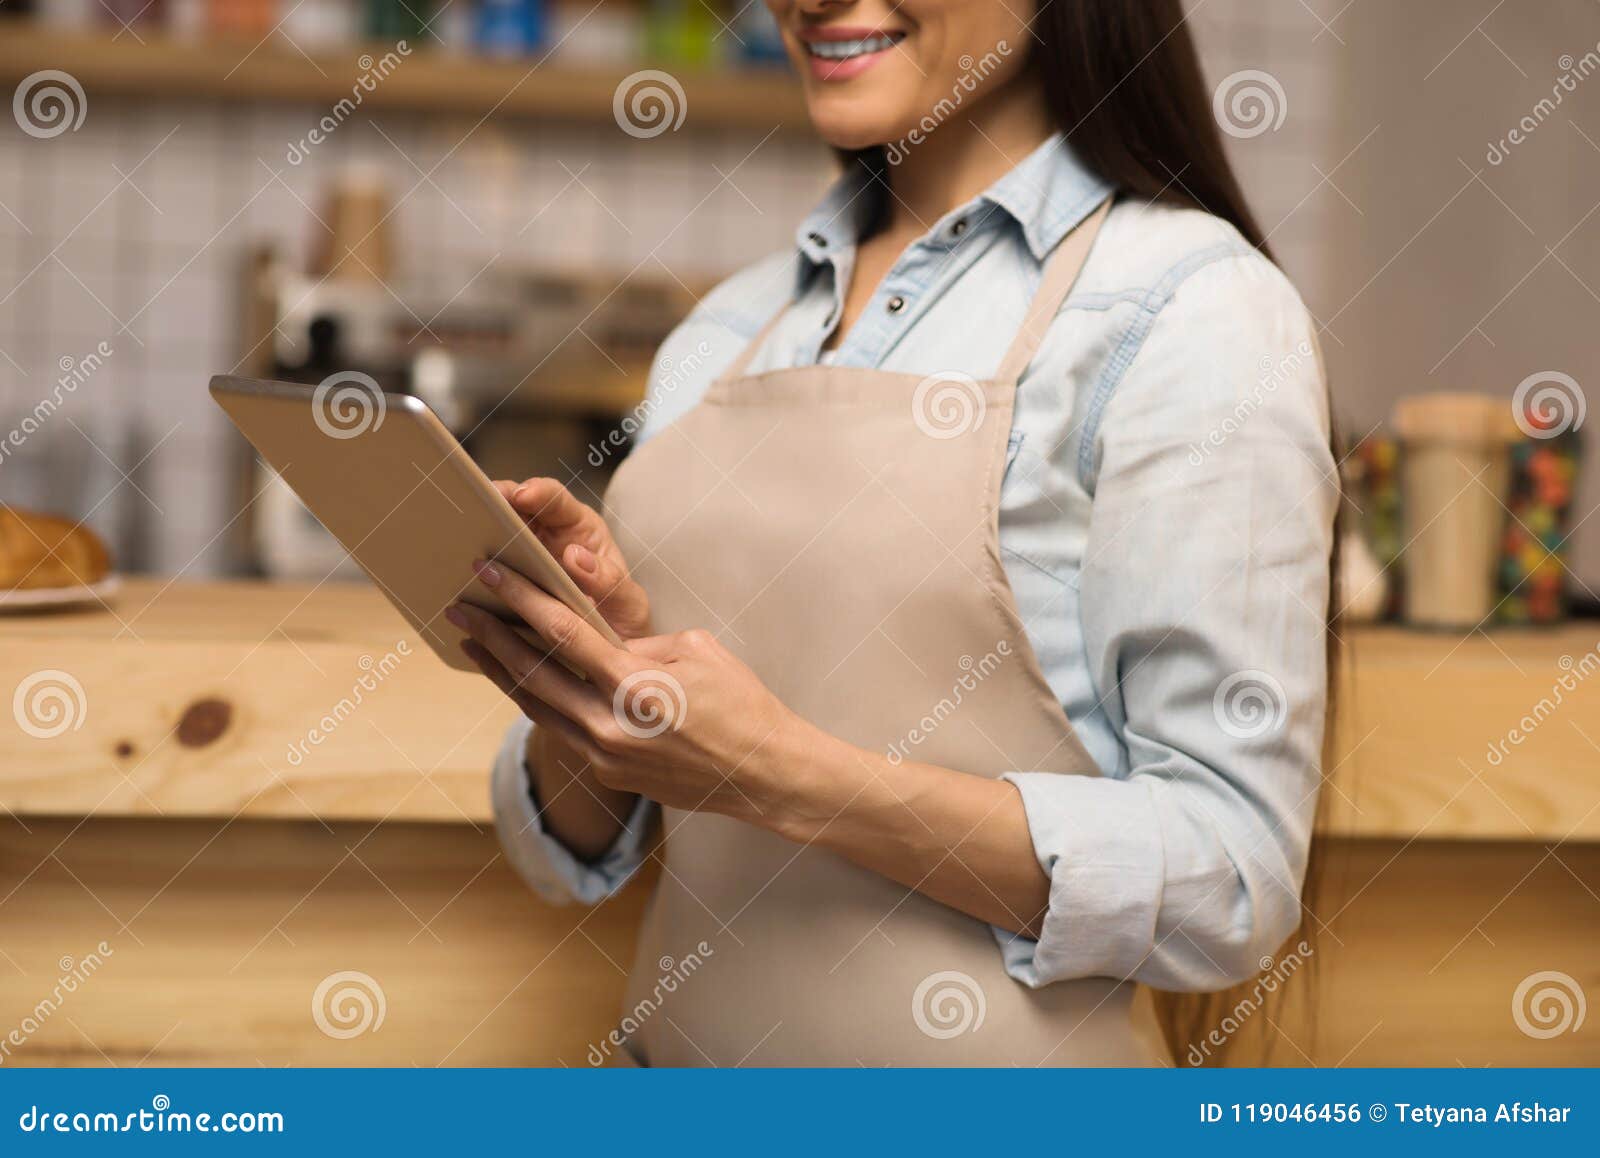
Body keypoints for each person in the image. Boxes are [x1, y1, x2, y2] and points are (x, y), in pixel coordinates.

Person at [451, 0, 1338, 1065]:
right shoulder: (728, 327)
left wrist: (781, 774)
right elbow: (566, 855)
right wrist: (588, 681)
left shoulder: (1190, 309)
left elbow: (1228, 883)